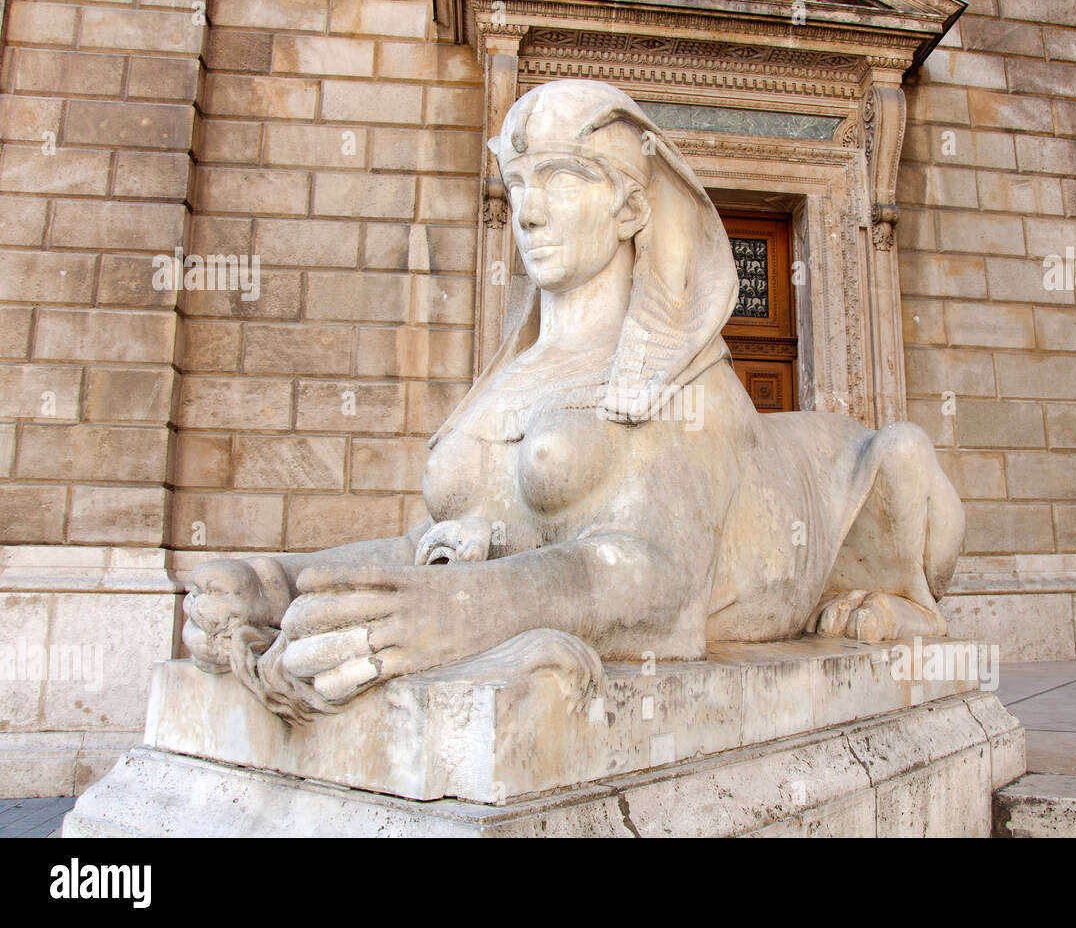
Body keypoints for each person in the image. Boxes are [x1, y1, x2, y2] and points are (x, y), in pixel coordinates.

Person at [182, 79, 964, 722]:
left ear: (631, 208)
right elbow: (440, 545)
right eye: (519, 182)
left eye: (563, 177)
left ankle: (913, 605)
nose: (527, 210)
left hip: (836, 493)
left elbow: (659, 585)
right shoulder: (517, 375)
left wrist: (458, 612)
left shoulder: (690, 384)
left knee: (898, 452)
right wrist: (275, 579)